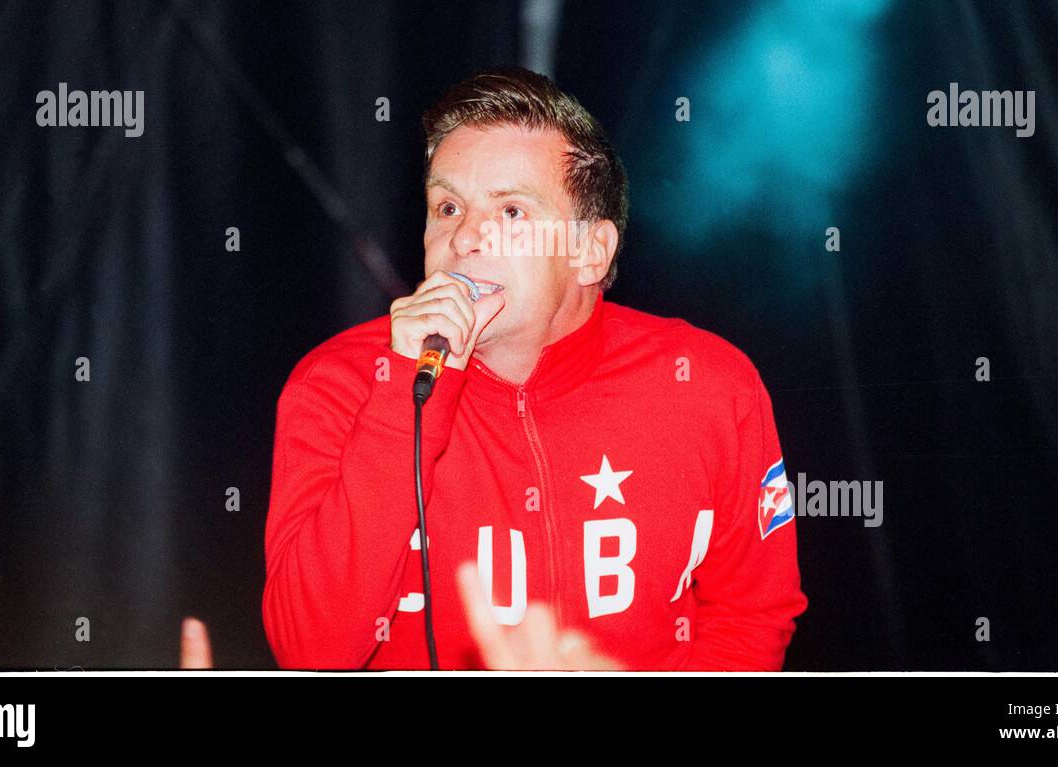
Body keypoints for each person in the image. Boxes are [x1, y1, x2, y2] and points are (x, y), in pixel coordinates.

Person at [262, 66, 807, 670]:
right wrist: (405, 394)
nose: (465, 237)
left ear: (589, 251)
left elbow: (750, 619)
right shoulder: (339, 383)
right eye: (447, 206)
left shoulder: (708, 385)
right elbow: (311, 653)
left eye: (512, 211)